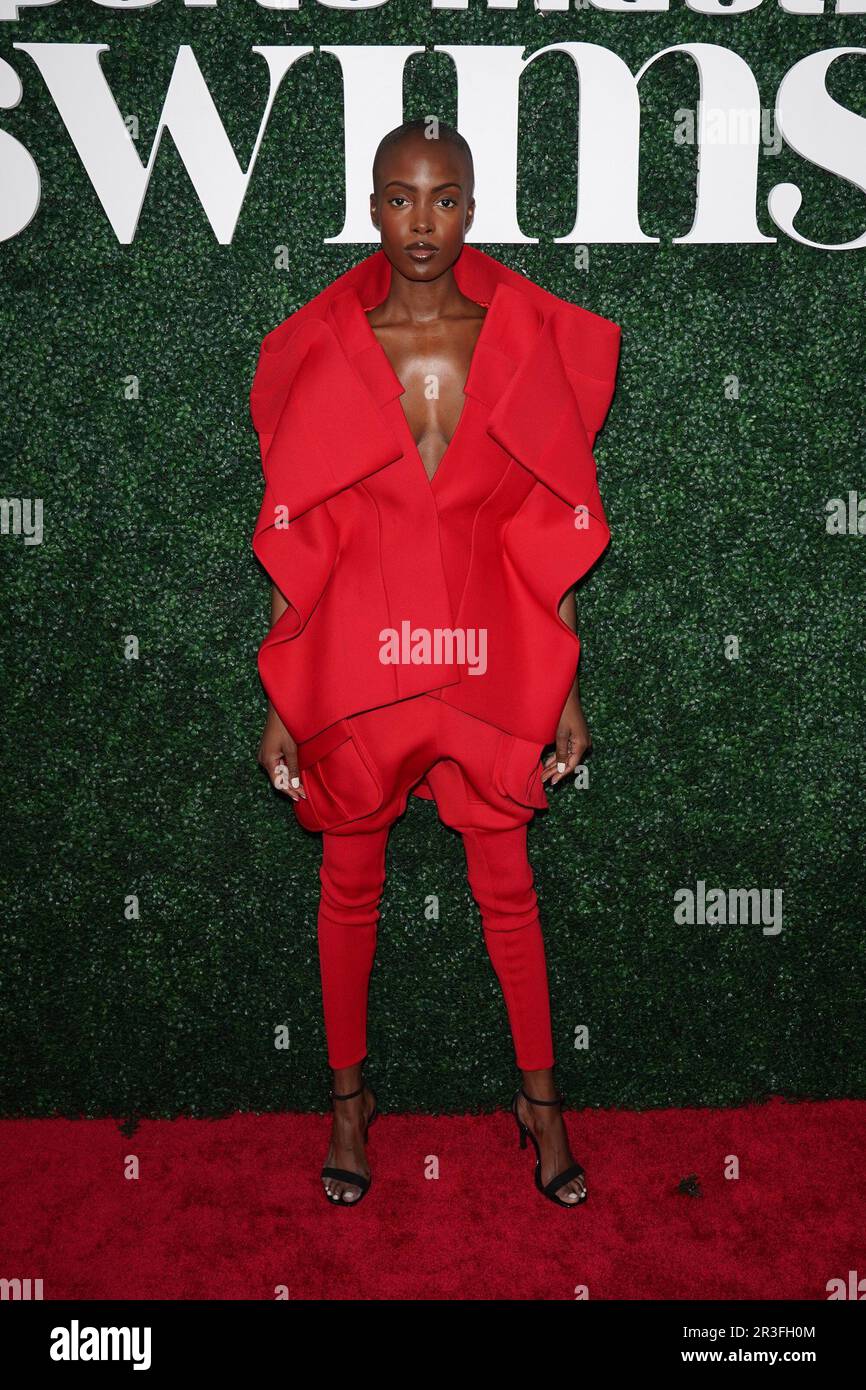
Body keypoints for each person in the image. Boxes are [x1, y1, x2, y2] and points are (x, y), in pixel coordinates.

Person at [250, 118, 621, 1208]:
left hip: (484, 654)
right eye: (401, 198)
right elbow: (298, 521)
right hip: (355, 653)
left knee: (508, 885)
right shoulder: (326, 341)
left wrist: (562, 684)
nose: (422, 220)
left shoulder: (514, 339)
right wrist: (281, 680)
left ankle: (540, 1104)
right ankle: (349, 1104)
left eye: (445, 197)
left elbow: (545, 524)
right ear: (372, 207)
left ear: (472, 206)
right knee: (348, 883)